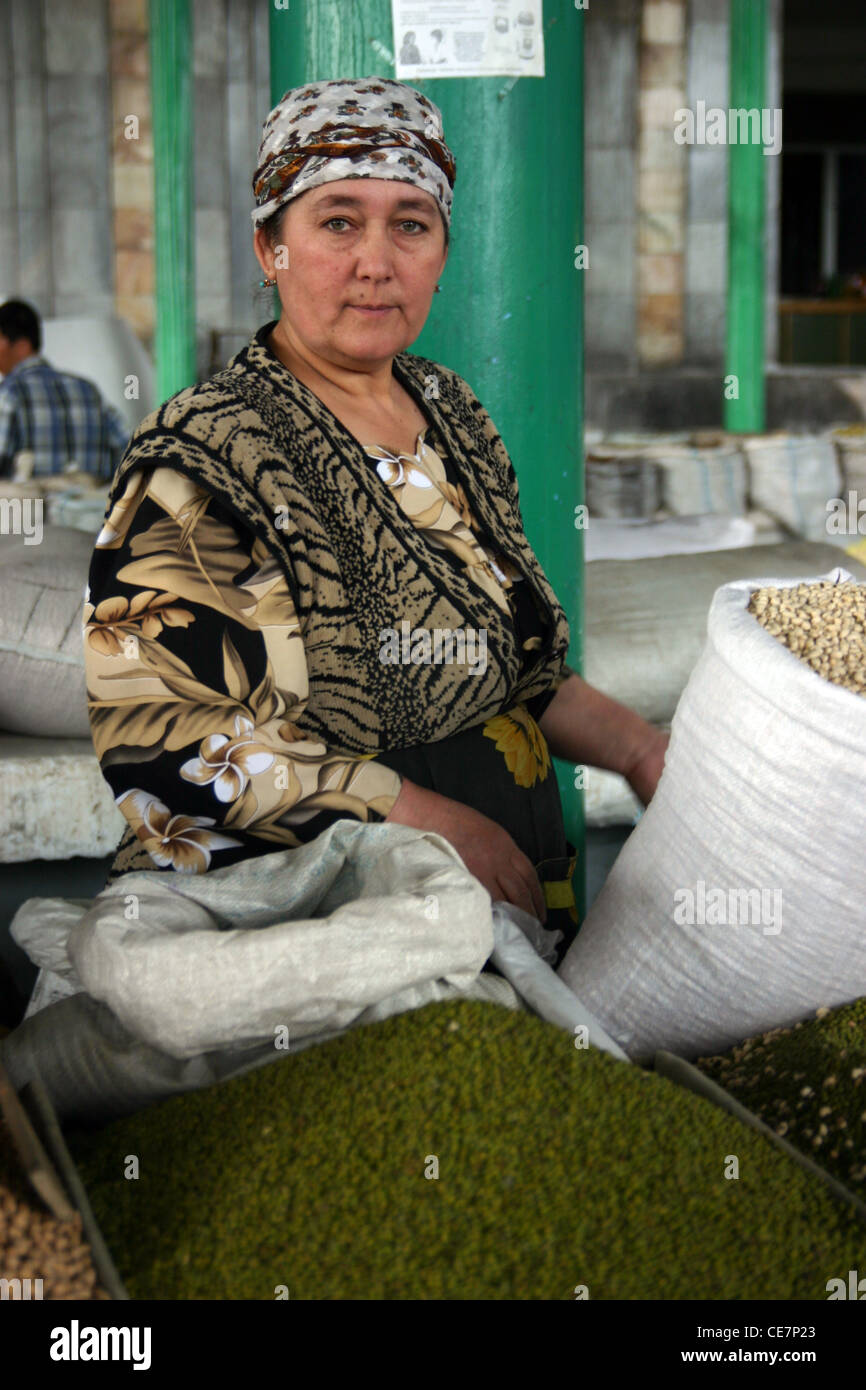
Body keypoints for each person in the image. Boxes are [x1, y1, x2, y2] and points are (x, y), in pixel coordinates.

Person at [84, 78, 668, 969]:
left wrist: (640, 749)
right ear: (269, 246)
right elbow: (176, 746)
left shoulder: (452, 414)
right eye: (337, 221)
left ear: (441, 250)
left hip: (495, 903)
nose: (376, 262)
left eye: (411, 224)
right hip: (313, 932)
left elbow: (524, 671)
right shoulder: (204, 454)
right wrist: (429, 823)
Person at [0, 299, 131, 481]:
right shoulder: (87, 390)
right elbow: (130, 452)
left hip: (31, 509)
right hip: (95, 508)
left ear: (22, 345)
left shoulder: (9, 394)